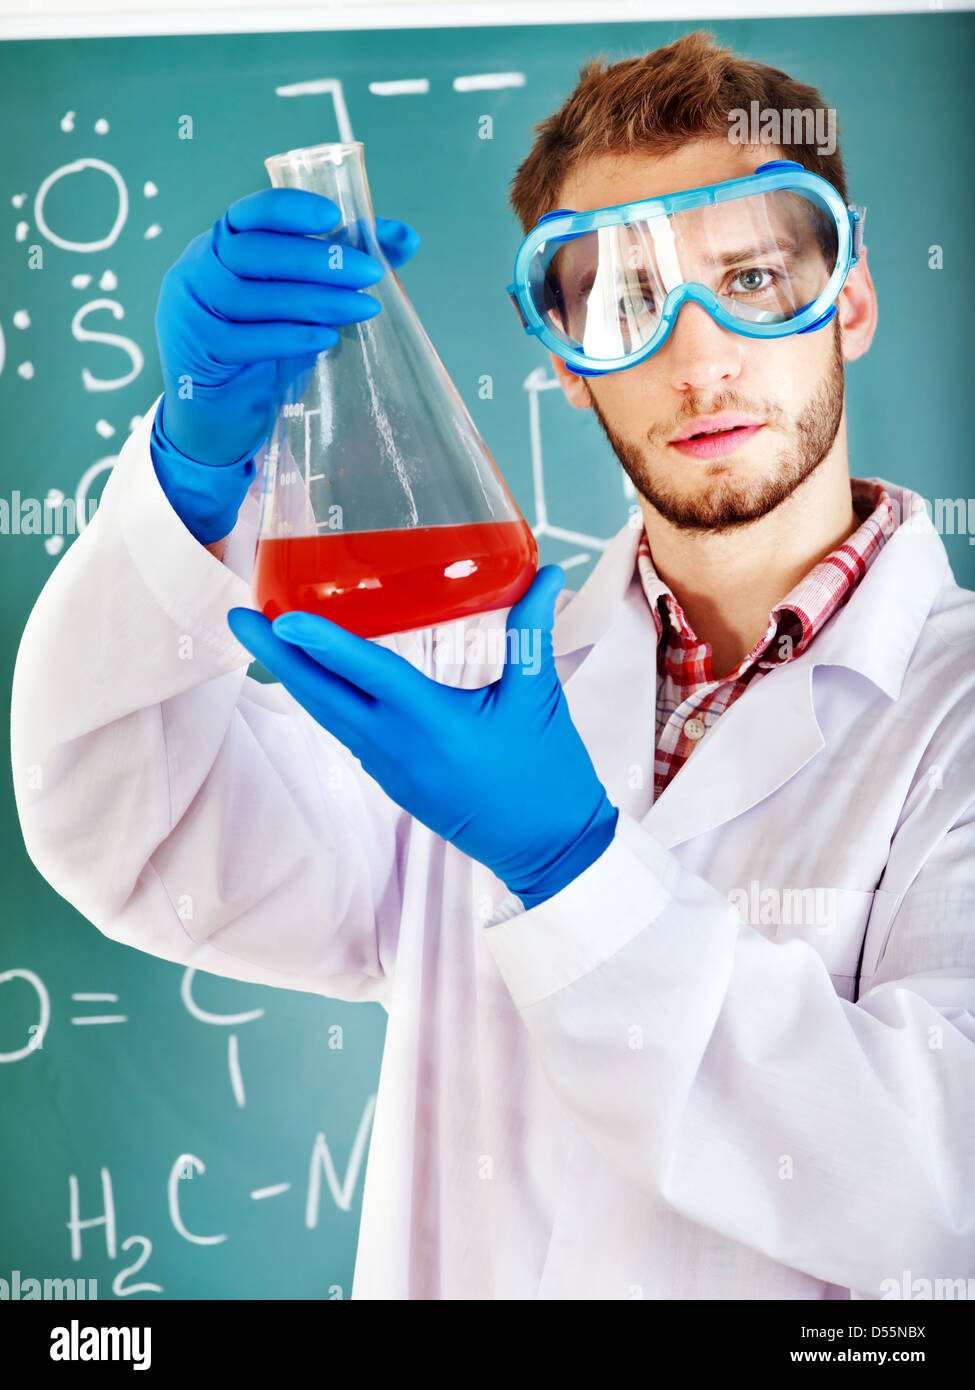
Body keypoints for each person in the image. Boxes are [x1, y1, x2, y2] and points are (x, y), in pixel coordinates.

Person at [11, 30, 974, 1300]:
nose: (697, 357)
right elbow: (122, 819)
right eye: (627, 301)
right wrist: (192, 480)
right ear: (569, 361)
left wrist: (573, 869)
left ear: (846, 295)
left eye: (749, 278)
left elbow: (941, 1187)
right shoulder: (466, 675)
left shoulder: (952, 716)